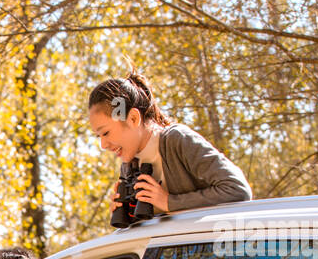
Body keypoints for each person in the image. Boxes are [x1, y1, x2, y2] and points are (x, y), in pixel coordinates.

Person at [87, 70, 252, 217]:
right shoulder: (130, 166)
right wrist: (127, 216)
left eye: (106, 133)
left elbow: (237, 189)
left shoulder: (177, 140)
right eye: (98, 136)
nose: (103, 144)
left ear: (133, 118)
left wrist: (169, 202)